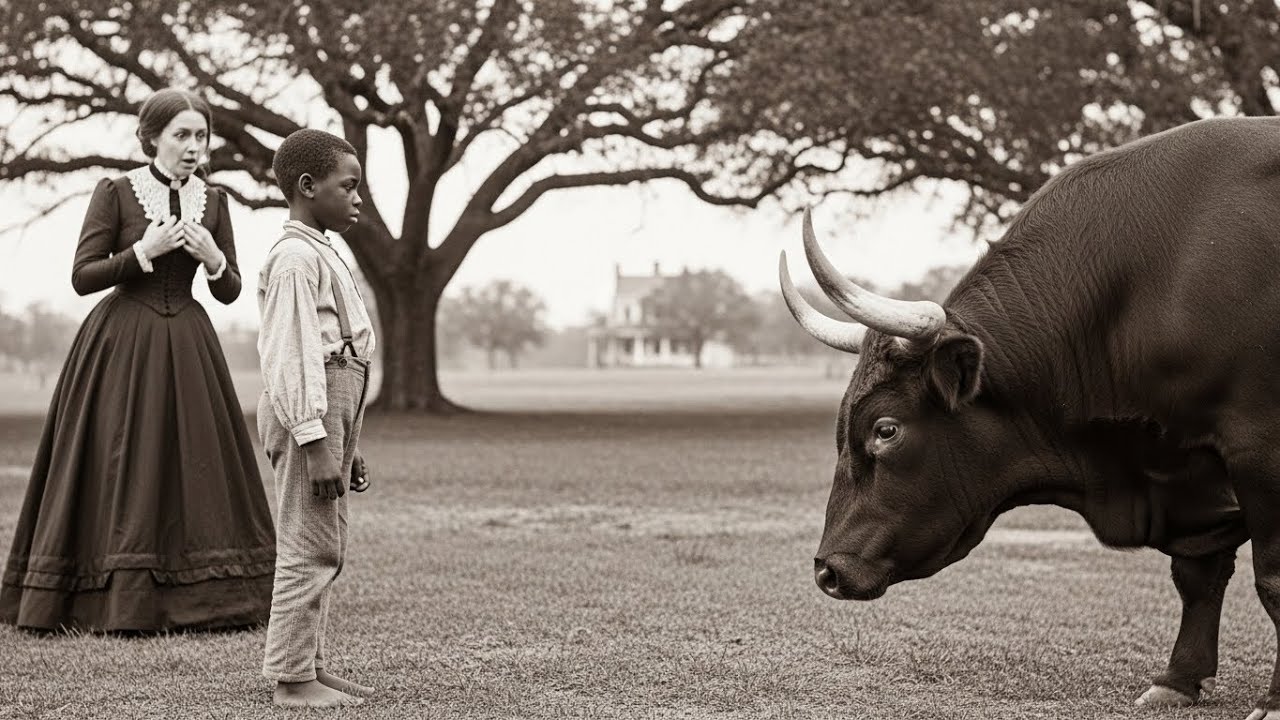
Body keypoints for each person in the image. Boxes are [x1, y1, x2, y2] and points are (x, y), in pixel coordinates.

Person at [0, 88, 276, 632]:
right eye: (182, 135)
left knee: (197, 462)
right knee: (123, 460)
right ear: (152, 137)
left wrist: (215, 259)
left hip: (191, 344)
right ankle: (114, 593)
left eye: (201, 135)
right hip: (121, 346)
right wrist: (140, 254)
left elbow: (231, 291)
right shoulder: (117, 193)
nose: (194, 146)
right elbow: (83, 276)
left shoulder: (215, 202)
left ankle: (214, 595)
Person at [257, 128, 376, 708]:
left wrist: (345, 446)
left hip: (332, 406)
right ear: (308, 187)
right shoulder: (295, 259)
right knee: (308, 544)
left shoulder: (320, 247)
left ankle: (311, 665)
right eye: (347, 186)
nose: (358, 198)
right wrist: (313, 440)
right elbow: (293, 353)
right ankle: (291, 679)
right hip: (311, 408)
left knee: (327, 541)